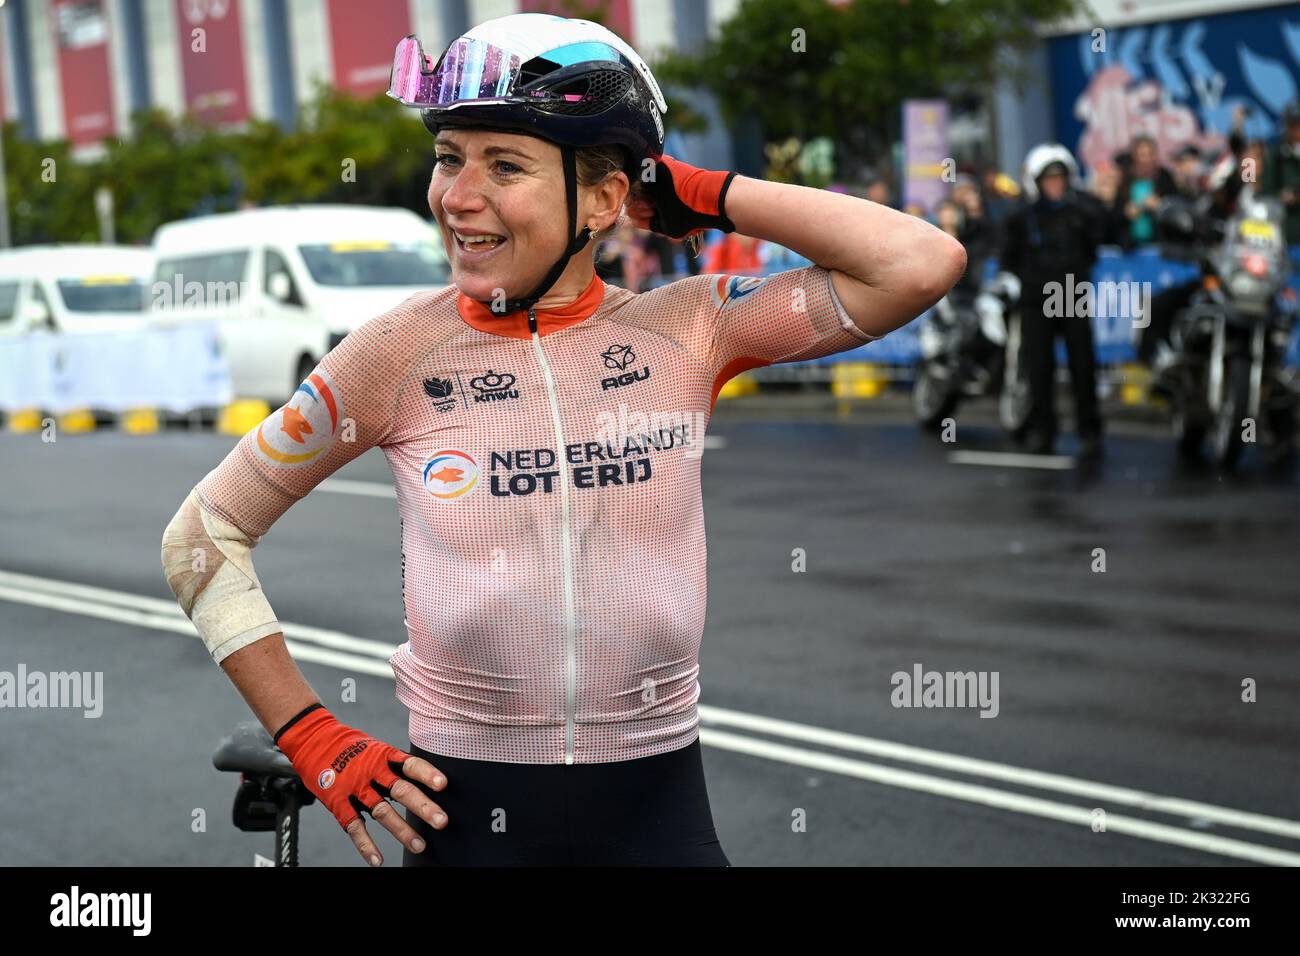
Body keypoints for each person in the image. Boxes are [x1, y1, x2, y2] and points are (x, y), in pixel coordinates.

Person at [159, 13, 965, 867]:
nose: (457, 196)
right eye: (447, 157)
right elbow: (200, 537)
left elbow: (919, 263)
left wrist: (709, 191)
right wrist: (312, 734)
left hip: (659, 817)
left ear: (609, 198)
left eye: (504, 165)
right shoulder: (394, 354)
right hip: (463, 823)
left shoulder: (687, 328)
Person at [999, 143, 1106, 459]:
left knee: (1083, 364)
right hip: (1035, 300)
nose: (1056, 185)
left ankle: (1090, 430)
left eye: (1061, 178)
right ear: (1036, 182)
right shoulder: (1020, 217)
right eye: (1049, 179)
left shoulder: (1082, 212)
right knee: (1039, 368)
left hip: (1072, 297)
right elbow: (1009, 258)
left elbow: (1096, 245)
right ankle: (1043, 430)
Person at [1112, 134, 1177, 249]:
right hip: (1129, 248)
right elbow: (1113, 211)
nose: (1146, 160)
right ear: (1134, 156)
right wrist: (1125, 212)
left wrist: (1160, 206)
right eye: (1142, 155)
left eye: (1150, 154)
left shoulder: (1164, 177)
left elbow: (1176, 206)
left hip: (1159, 245)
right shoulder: (1124, 179)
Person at [1263, 101, 1300, 247]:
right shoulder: (1276, 155)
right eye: (1294, 124)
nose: (1298, 129)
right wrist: (1283, 197)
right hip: (1290, 232)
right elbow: (1267, 192)